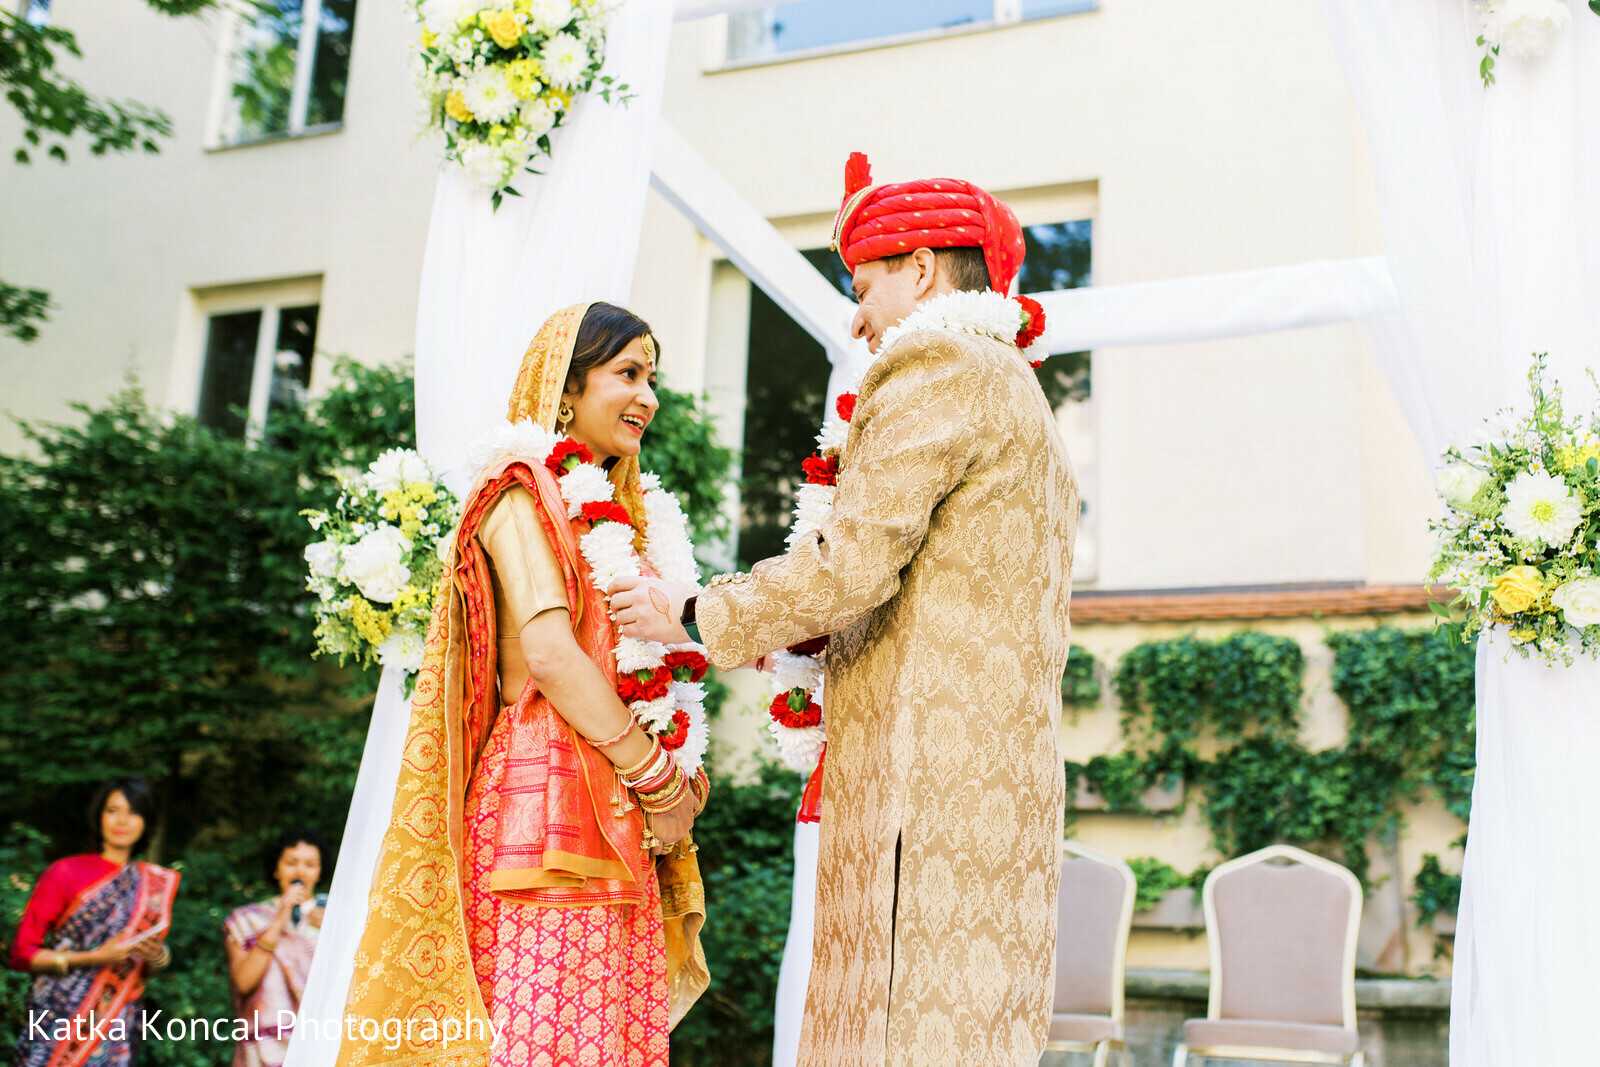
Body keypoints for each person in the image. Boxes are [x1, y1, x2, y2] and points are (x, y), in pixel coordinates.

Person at [611, 153, 1079, 1066]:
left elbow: (850, 566)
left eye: (865, 285)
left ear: (922, 270)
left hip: (925, 779)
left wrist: (695, 610)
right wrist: (787, 641)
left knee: (900, 1032)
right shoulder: (1013, 382)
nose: (856, 316)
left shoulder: (941, 362)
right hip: (984, 779)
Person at [334, 302, 709, 1067]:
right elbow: (549, 652)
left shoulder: (631, 520)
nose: (649, 397)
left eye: (653, 378)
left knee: (605, 1039)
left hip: (622, 807)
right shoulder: (521, 493)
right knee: (539, 1040)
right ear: (565, 390)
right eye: (628, 374)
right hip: (542, 816)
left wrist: (668, 776)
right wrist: (654, 773)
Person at [8, 776, 179, 1067]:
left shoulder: (154, 884)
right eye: (112, 810)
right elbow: (22, 954)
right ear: (98, 816)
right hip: (56, 1020)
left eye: (133, 812)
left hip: (114, 1025)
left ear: (146, 822)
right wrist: (93, 957)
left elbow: (145, 964)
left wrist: (159, 957)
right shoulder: (65, 873)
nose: (121, 821)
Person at [224, 830, 329, 1067]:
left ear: (320, 871)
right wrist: (282, 916)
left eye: (310, 864)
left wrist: (336, 929)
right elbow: (244, 981)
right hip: (263, 1051)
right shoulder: (246, 920)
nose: (300, 871)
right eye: (291, 863)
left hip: (321, 1044)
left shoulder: (338, 914)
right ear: (275, 869)